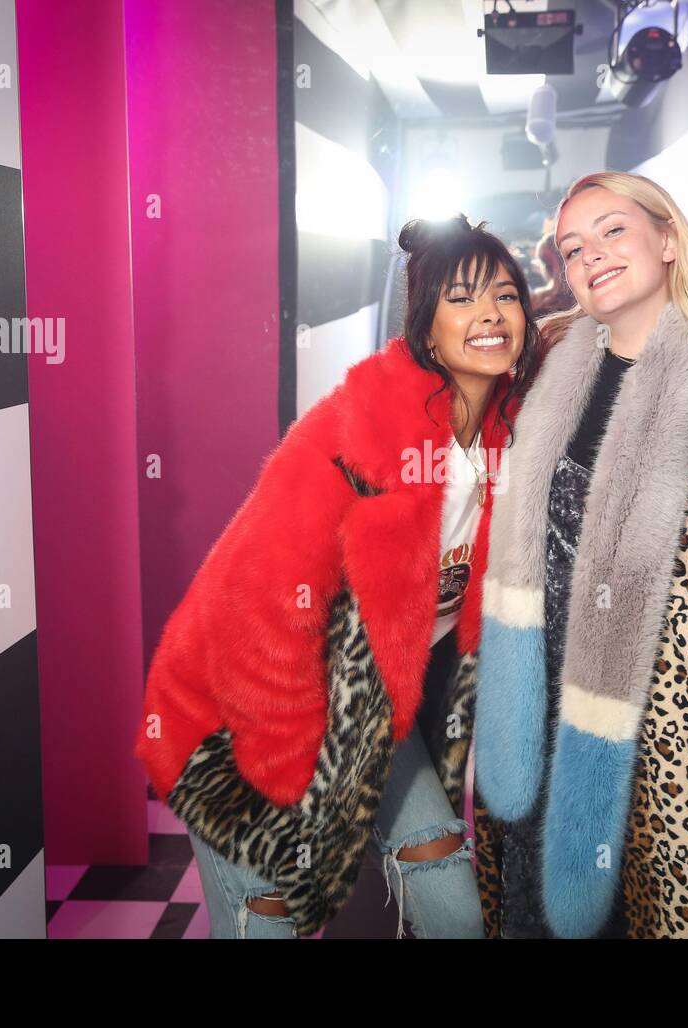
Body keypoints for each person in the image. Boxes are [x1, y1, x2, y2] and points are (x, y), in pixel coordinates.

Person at [135, 213, 541, 938]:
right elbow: (254, 612)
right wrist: (296, 793)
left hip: (368, 716)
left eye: (506, 295)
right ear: (423, 325)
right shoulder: (358, 429)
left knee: (448, 894)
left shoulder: (509, 430)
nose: (489, 314)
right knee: (272, 918)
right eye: (462, 297)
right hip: (245, 719)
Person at [473, 171, 688, 938]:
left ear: (669, 239)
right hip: (537, 700)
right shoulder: (545, 369)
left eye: (613, 230)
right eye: (573, 247)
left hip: (664, 739)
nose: (592, 255)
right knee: (532, 915)